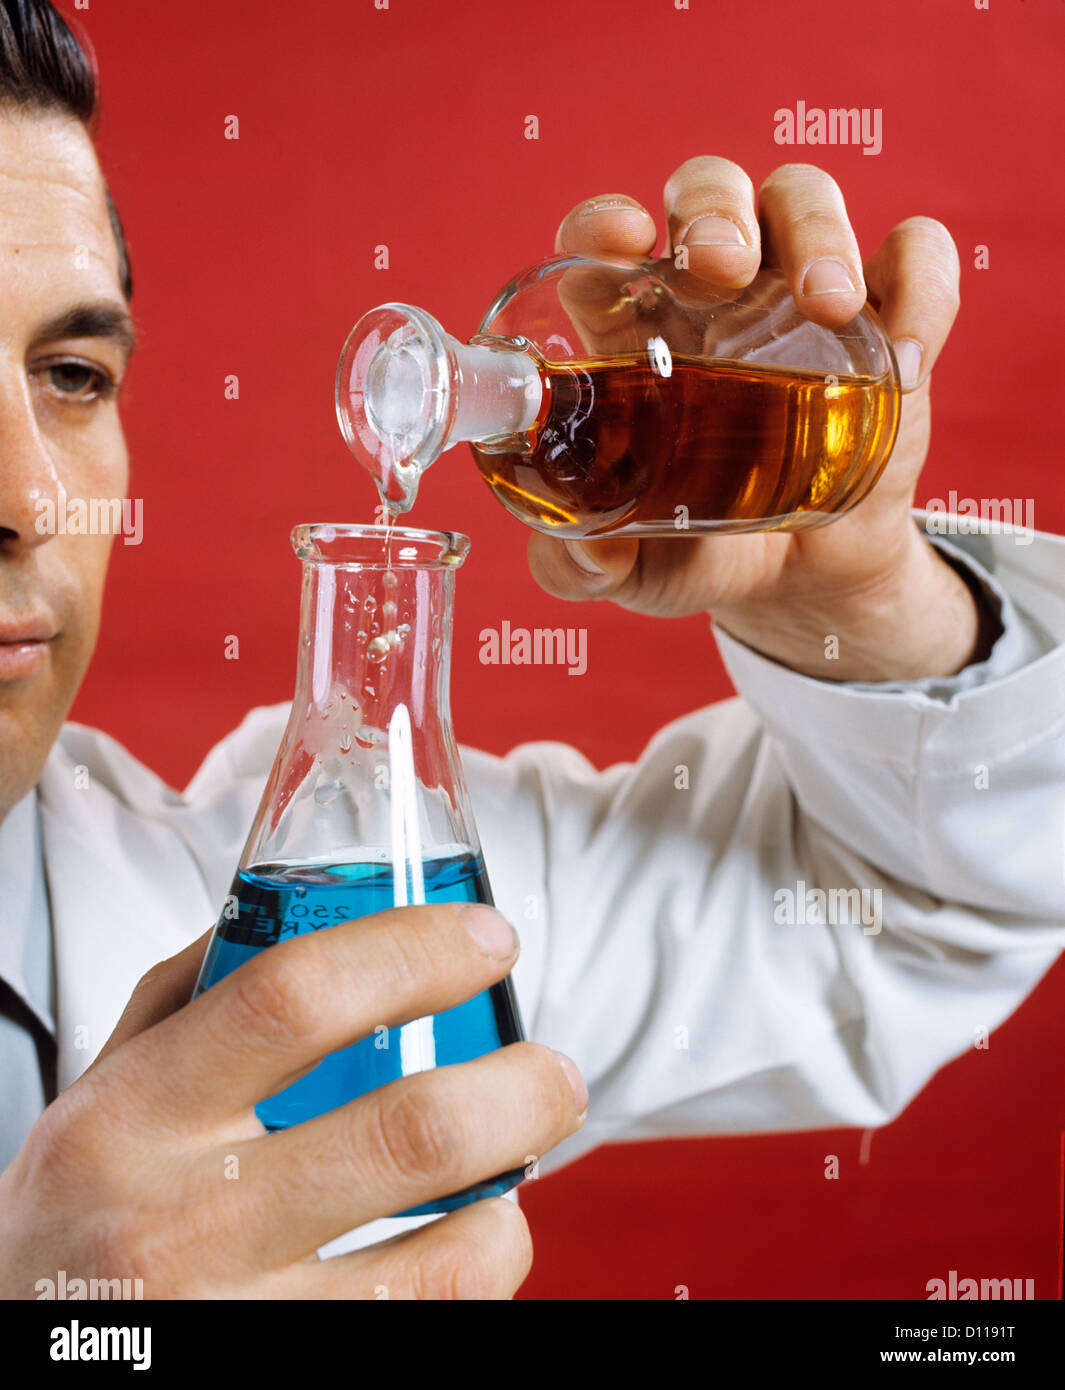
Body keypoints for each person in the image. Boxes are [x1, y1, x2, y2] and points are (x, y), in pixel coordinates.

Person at [1, 0, 1063, 1300]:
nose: (34, 502)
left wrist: (850, 604)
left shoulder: (321, 937)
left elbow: (935, 912)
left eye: (68, 375)